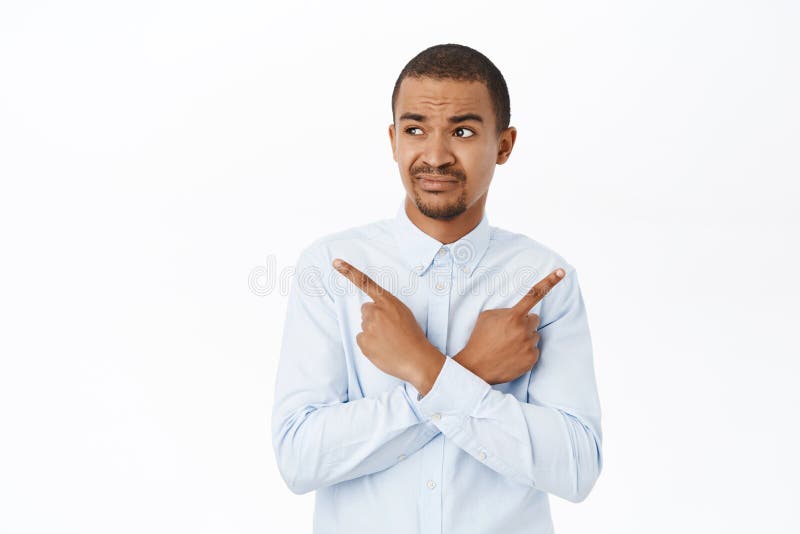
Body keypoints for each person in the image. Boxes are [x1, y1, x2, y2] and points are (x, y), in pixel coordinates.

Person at [271, 43, 602, 534]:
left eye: (462, 131)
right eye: (415, 130)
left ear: (504, 145)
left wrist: (421, 367)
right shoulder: (333, 268)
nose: (435, 155)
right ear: (393, 139)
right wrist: (470, 373)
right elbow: (299, 459)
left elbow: (575, 470)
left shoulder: (543, 279)